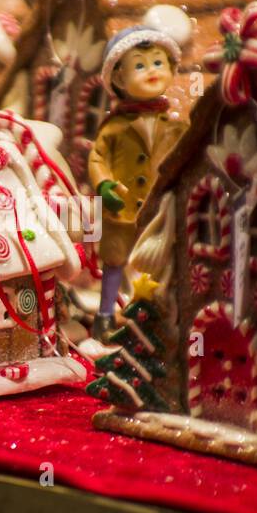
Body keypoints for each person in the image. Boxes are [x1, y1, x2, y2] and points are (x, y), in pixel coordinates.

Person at [88, 26, 185, 339]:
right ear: (118, 79)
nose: (151, 72)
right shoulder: (114, 127)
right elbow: (97, 159)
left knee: (156, 264)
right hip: (122, 210)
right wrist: (104, 185)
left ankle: (152, 315)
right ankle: (105, 315)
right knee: (115, 262)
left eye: (158, 63)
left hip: (159, 211)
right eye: (140, 66)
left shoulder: (176, 126)